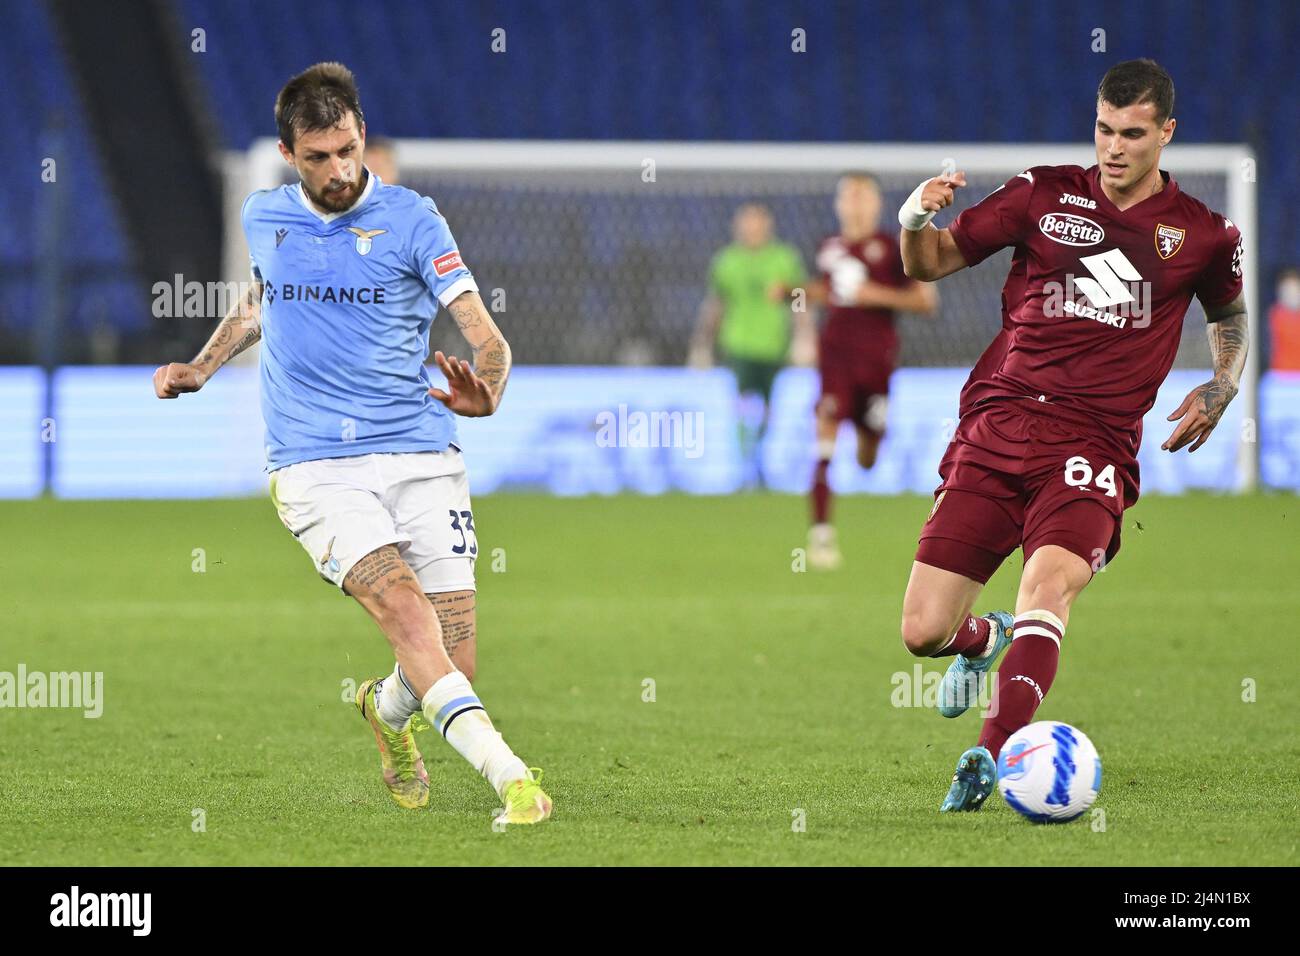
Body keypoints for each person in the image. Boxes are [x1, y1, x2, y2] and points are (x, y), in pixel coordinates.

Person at [152, 62, 551, 826]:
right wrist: (202, 366)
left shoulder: (413, 219)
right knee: (404, 612)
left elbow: (485, 336)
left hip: (421, 452)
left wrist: (488, 389)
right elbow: (262, 299)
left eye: (347, 150)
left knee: (451, 660)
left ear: (362, 134)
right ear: (287, 152)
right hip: (313, 462)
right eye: (318, 157)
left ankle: (385, 711)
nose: (337, 172)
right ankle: (514, 781)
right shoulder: (264, 216)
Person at [894, 58, 1247, 812]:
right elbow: (931, 265)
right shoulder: (1040, 192)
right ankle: (980, 641)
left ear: (1166, 134)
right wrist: (914, 221)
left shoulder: (1203, 235)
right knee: (922, 632)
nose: (1113, 148)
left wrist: (1221, 387)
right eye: (1103, 130)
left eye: (1131, 134)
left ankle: (991, 757)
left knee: (1046, 589)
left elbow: (1230, 316)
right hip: (998, 424)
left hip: (1093, 443)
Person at [803, 172, 937, 569]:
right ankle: (821, 536)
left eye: (863, 196)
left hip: (876, 365)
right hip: (835, 360)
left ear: (877, 204)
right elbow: (831, 292)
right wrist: (796, 293)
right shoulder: (828, 247)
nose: (855, 203)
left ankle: (868, 436)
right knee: (825, 432)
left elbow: (925, 302)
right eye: (849, 196)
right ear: (839, 204)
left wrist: (872, 295)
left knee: (867, 456)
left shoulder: (892, 247)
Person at [690, 203, 810, 485]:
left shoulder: (784, 258)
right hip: (739, 346)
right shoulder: (727, 261)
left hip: (773, 345)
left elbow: (800, 301)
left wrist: (804, 338)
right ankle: (748, 465)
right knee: (744, 405)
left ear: (767, 226)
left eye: (757, 223)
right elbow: (715, 304)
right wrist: (701, 344)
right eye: (747, 223)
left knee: (769, 409)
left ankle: (758, 459)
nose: (752, 229)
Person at [1267, 266, 1300, 371]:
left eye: (1294, 290)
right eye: (1287, 290)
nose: (1291, 295)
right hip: (1279, 376)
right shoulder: (1273, 316)